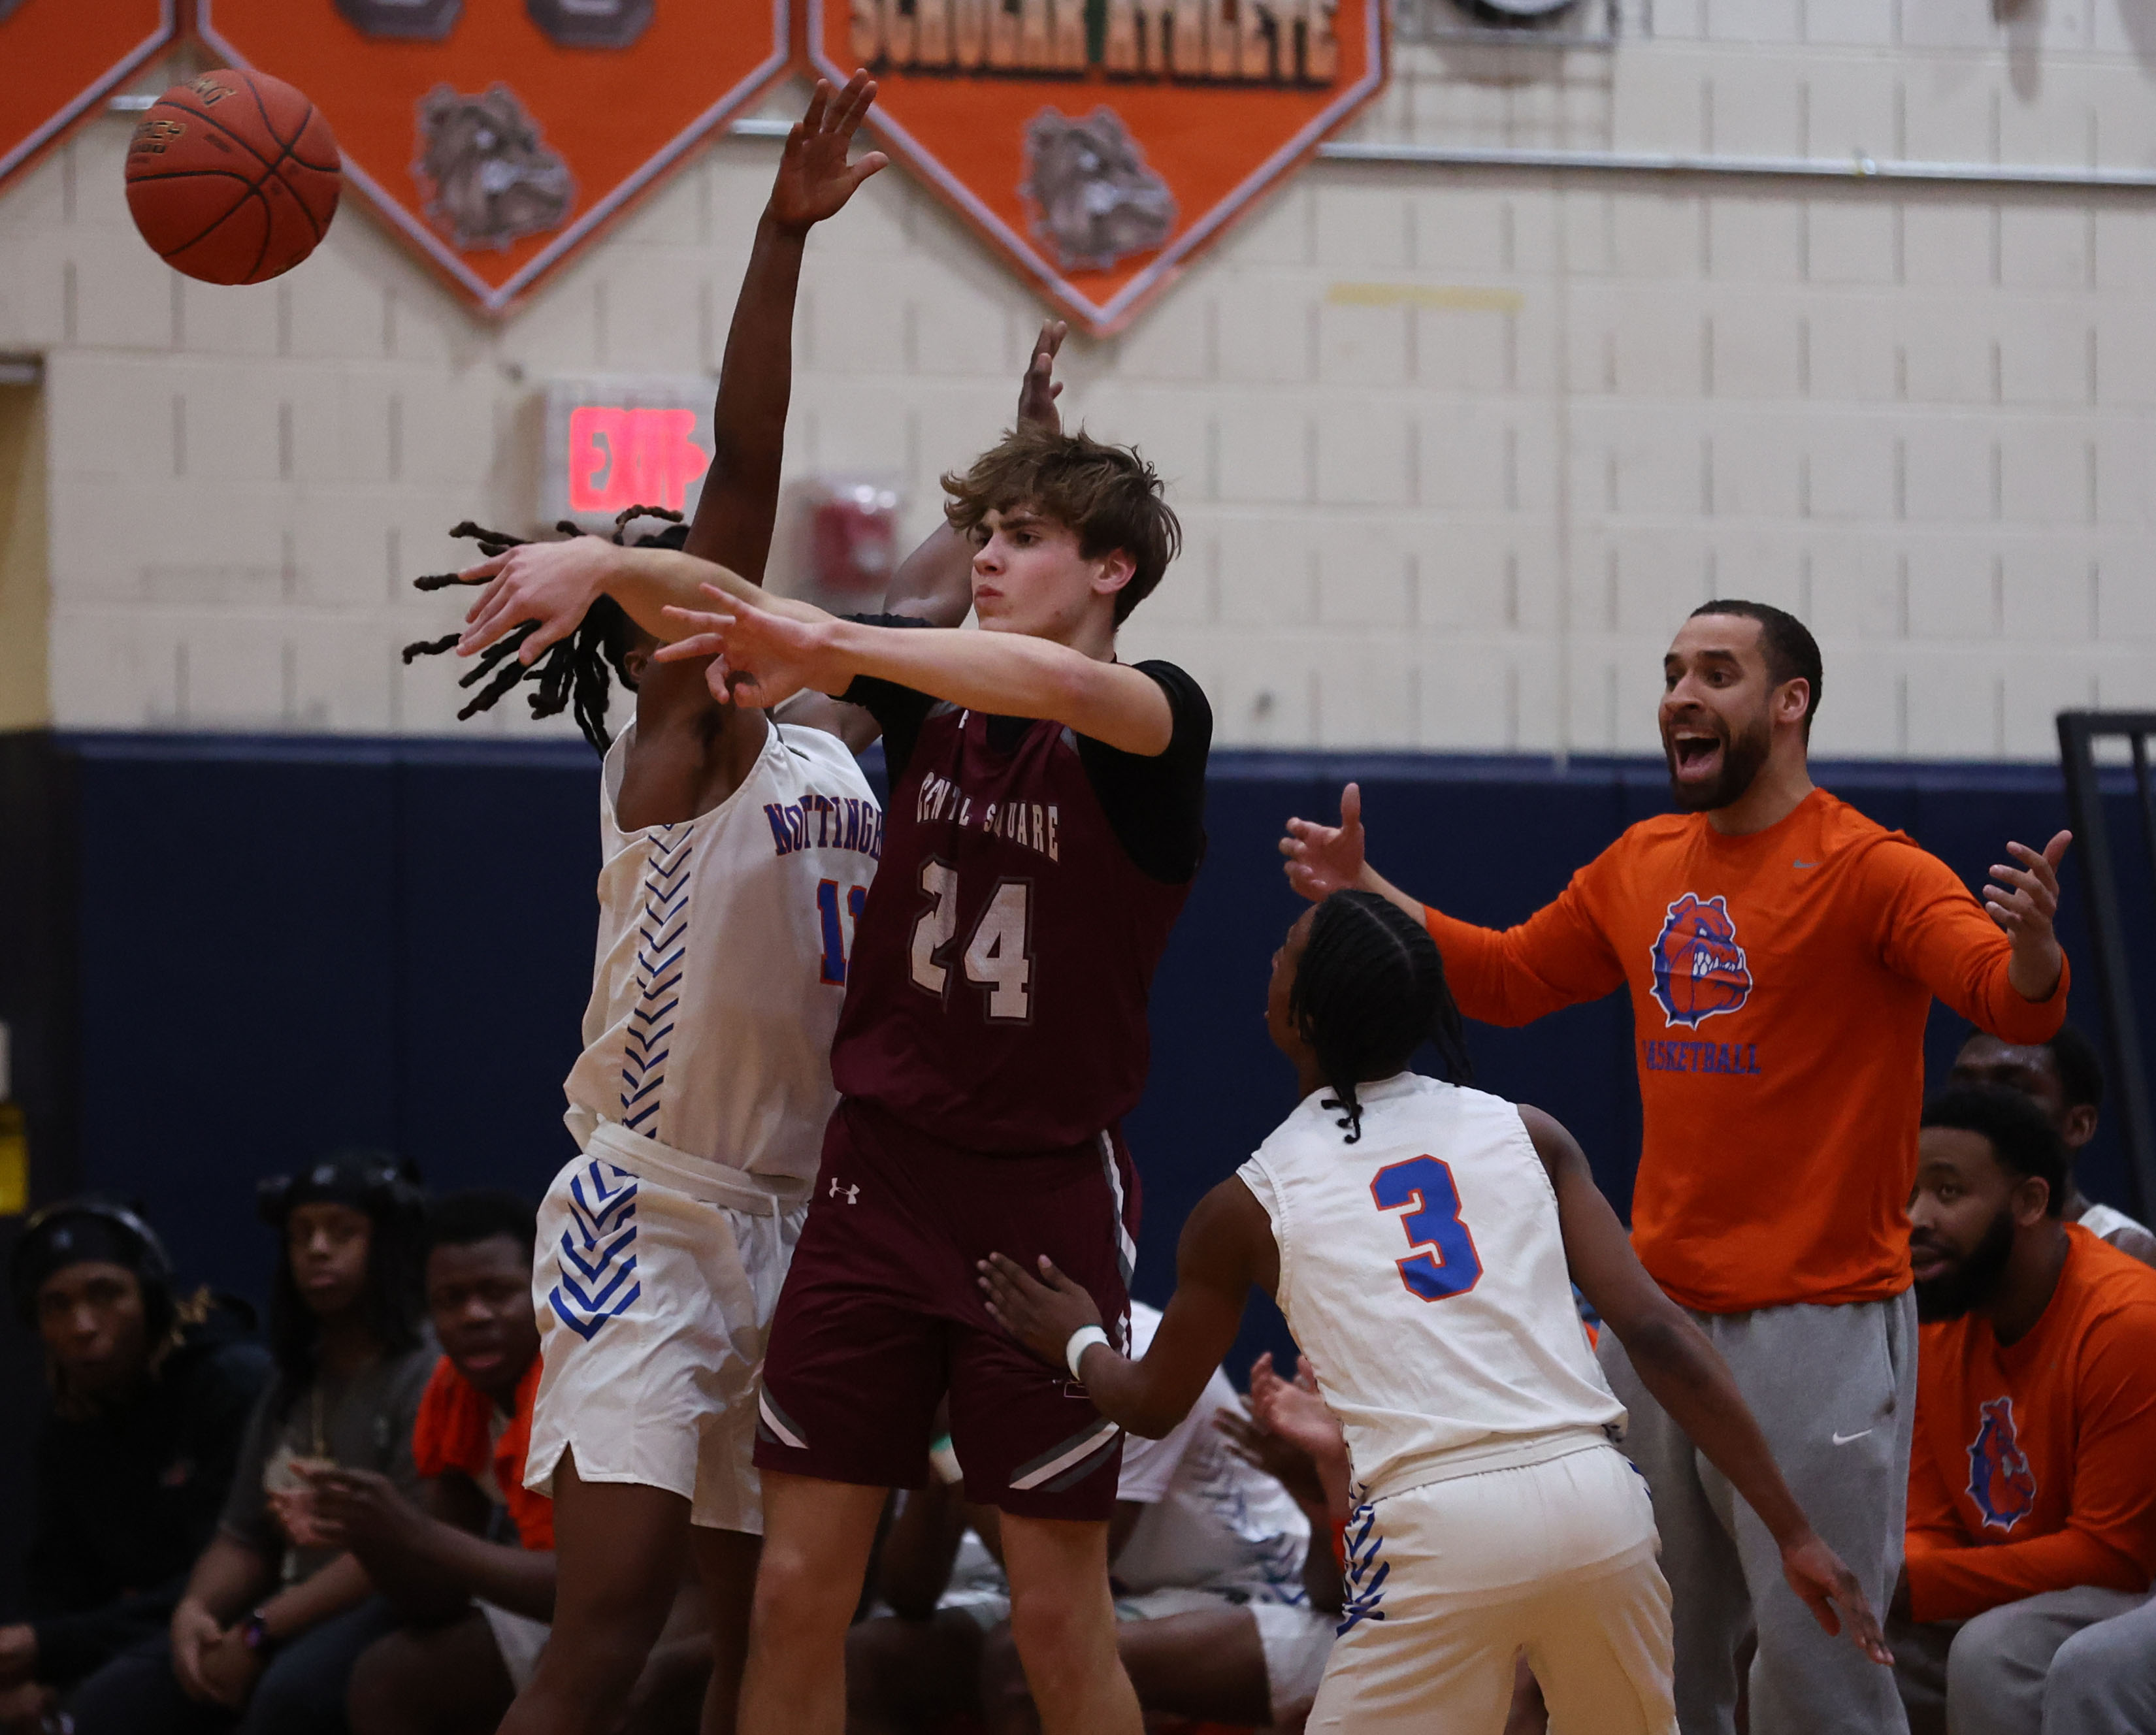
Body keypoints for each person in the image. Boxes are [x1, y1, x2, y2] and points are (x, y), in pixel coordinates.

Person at [453, 286, 1207, 1735]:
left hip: (968, 1193)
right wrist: (625, 560)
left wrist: (965, 512)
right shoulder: (783, 725)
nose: (987, 555)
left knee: (1020, 1609)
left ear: (1109, 568)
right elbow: (809, 564)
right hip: (782, 1189)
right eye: (984, 535)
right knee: (727, 1608)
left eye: (1025, 537)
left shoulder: (1025, 714)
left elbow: (981, 647)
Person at [402, 76, 998, 1735]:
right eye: (683, 573)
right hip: (648, 1217)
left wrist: (1030, 473)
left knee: (770, 1641)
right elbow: (744, 477)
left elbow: (938, 597)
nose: (724, 582)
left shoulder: (818, 729)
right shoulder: (682, 729)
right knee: (605, 1633)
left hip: (802, 1221)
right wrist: (779, 237)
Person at [1277, 600, 2070, 1735]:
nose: (1681, 696)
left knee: (1818, 1669)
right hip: (1660, 1327)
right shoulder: (1644, 860)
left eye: (1718, 673)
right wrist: (1371, 890)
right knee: (1657, 1662)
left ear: (1790, 703)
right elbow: (1506, 978)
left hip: (1820, 1330)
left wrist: (2036, 948)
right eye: (1672, 673)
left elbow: (2005, 997)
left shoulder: (1872, 869)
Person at [979, 890, 1889, 1735]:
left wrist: (1077, 1337)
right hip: (1598, 1504)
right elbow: (1659, 1334)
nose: (1271, 959)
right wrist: (1795, 1530)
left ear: (1303, 1016)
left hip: (1432, 1527)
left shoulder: (1243, 1208)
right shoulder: (1530, 1133)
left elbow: (1147, 1404)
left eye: (1286, 953)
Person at [65, 1155, 436, 1735]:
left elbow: (399, 1548)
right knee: (116, 1702)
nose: (316, 1250)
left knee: (289, 1699)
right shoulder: (293, 1381)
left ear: (387, 1246)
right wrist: (197, 1612)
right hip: (278, 1607)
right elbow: (242, 1536)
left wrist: (262, 1630)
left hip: (383, 1605)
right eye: (301, 1234)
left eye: (341, 1233)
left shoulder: (426, 1371)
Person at [846, 1304, 1339, 1735]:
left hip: (1248, 1587)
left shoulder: (1144, 1358)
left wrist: (951, 1447)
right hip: (1122, 1596)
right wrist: (938, 1447)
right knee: (865, 1661)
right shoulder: (946, 1361)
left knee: (1031, 1659)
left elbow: (1068, 1577)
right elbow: (909, 1595)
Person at [1889, 1086, 2156, 1735]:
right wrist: (1892, 1578)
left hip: (2135, 1580)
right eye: (1910, 1195)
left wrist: (1912, 1581)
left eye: (1948, 1193)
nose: (1917, 1218)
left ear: (2032, 1202)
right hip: (2030, 1579)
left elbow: (2113, 1554)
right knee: (1823, 1637)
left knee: (2000, 1653)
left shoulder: (2126, 1321)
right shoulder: (1943, 1317)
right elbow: (1930, 1521)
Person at [1, 1201, 269, 1727]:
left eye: (106, 1295)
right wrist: (33, 1676)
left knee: (114, 1703)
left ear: (148, 1296)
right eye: (56, 1306)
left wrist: (48, 1648)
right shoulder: (71, 1418)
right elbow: (58, 1580)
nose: (82, 1326)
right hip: (131, 1637)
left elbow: (231, 1576)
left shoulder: (229, 1384)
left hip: (240, 1625)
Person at [302, 1189, 554, 1735]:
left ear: (546, 1287)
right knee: (364, 1672)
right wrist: (371, 1533)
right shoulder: (452, 1389)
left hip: (656, 1606)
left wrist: (412, 1533)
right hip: (560, 1603)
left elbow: (585, 1590)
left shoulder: (574, 1381)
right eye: (451, 1299)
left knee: (390, 1680)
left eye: (499, 1293)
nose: (475, 1316)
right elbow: (436, 1600)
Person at [1950, 1023, 2156, 1265]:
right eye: (1964, 1088)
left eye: (2011, 1088)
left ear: (2078, 1125)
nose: (1976, 1105)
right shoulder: (1936, 1240)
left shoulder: (2123, 1249)